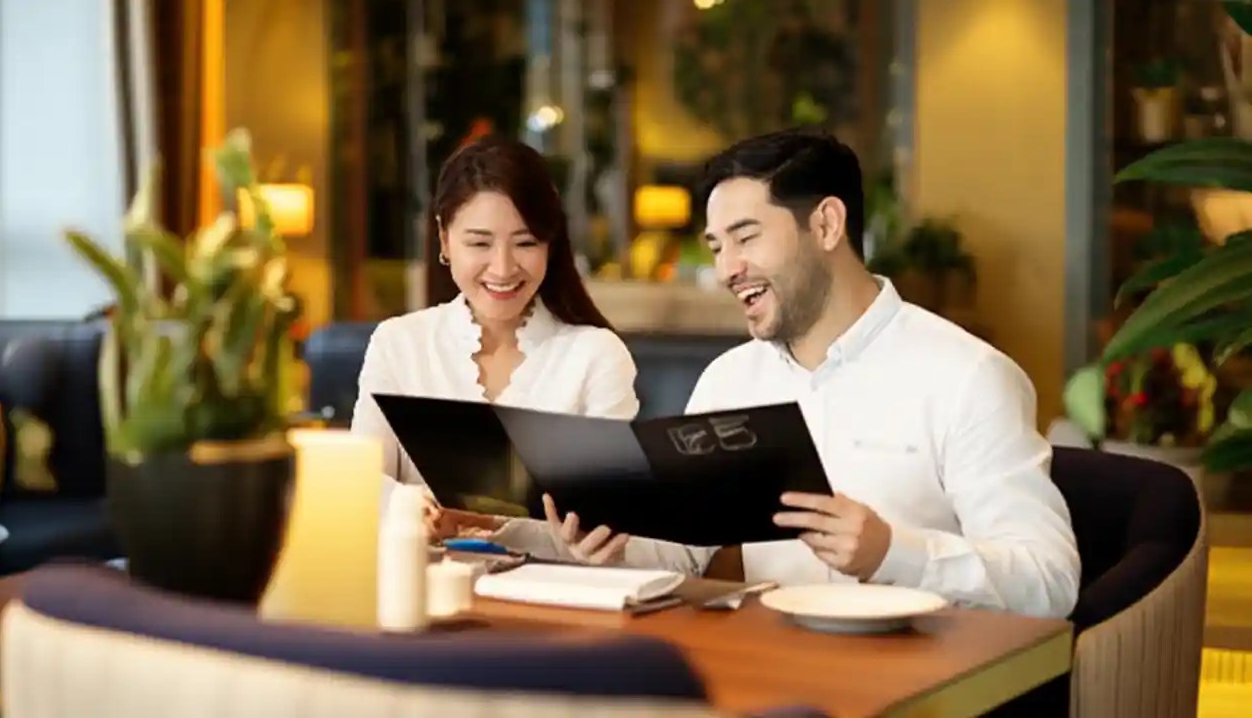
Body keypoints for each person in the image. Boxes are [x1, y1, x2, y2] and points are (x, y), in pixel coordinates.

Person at [541, 127, 1081, 619]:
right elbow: (683, 551)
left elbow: (1050, 582)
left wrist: (893, 553)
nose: (727, 268)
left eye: (746, 237)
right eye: (717, 246)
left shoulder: (969, 377)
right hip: (772, 672)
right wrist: (608, 544)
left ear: (826, 224)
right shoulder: (729, 381)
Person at [349, 135, 636, 563]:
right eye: (480, 244)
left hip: (554, 602)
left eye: (525, 243)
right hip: (422, 592)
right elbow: (361, 483)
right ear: (444, 241)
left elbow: (615, 516)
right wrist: (418, 512)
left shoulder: (596, 355)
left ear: (550, 243)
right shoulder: (399, 344)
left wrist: (596, 541)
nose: (503, 268)